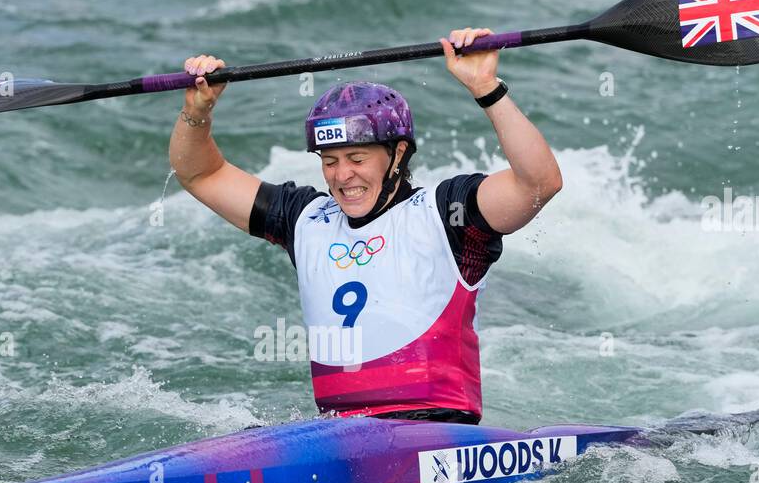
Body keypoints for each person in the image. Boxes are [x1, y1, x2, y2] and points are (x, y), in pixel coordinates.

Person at [168, 27, 562, 425]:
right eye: (330, 161)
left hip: (435, 432)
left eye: (357, 157)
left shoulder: (448, 213)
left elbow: (539, 184)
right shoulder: (304, 218)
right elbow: (201, 175)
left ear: (398, 154)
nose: (342, 176)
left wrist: (486, 87)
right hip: (339, 434)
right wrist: (197, 112)